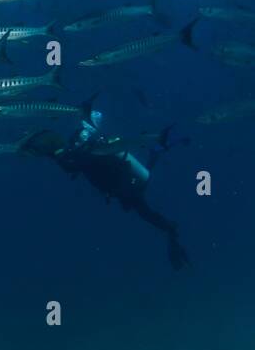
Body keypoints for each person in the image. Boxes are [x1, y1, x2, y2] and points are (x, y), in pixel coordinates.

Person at [25, 112, 189, 270]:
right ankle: (158, 153)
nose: (74, 145)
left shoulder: (90, 153)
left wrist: (54, 154)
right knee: (142, 209)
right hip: (125, 184)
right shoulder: (89, 150)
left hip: (128, 187)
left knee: (144, 211)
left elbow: (71, 166)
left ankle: (171, 230)